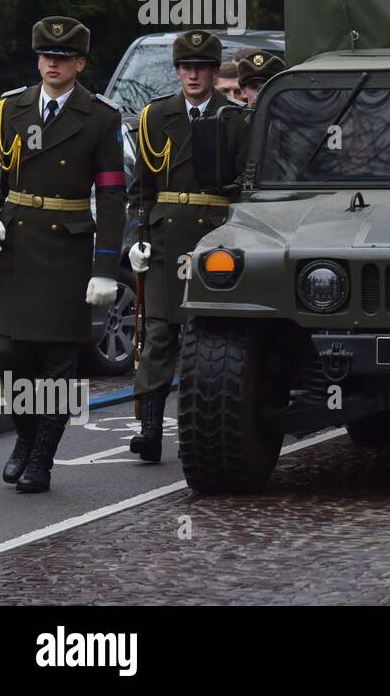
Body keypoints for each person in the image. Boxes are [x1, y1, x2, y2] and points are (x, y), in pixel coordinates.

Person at [0, 17, 125, 492]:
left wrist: (105, 266)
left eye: (63, 58)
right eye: (46, 56)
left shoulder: (102, 118)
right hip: (17, 243)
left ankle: (42, 455)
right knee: (8, 351)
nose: (53, 64)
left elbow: (110, 195)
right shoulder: (12, 109)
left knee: (56, 356)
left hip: (65, 247)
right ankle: (25, 438)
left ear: (80, 64)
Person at [126, 30, 244, 462]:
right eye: (186, 67)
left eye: (201, 68)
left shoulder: (235, 120)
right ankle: (150, 430)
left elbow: (244, 189)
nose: (193, 75)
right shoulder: (155, 117)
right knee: (159, 333)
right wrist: (136, 236)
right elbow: (140, 189)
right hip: (165, 236)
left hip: (214, 238)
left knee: (208, 335)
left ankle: (208, 426)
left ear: (214, 72)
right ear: (176, 72)